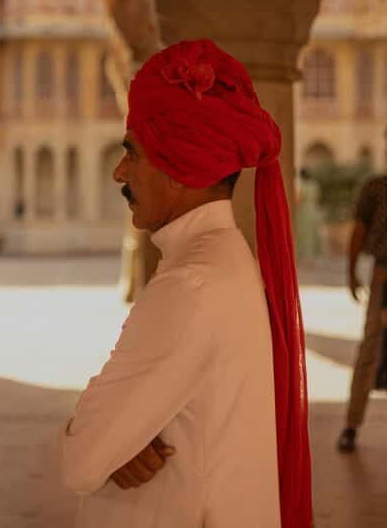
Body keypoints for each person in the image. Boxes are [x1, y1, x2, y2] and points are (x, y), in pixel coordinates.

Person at [59, 39, 312, 528]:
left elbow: (81, 461)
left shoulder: (192, 285)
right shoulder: (219, 264)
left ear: (178, 168)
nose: (119, 172)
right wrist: (118, 442)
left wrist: (99, 437)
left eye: (132, 153)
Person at [337, 173, 387, 453]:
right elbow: (359, 230)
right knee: (371, 349)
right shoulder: (376, 187)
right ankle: (351, 424)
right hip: (384, 274)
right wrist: (351, 272)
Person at [295, 167, 323, 263]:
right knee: (312, 234)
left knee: (303, 234)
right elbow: (317, 198)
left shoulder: (303, 186)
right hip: (313, 211)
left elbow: (299, 199)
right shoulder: (315, 185)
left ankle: (304, 258)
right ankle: (311, 258)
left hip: (304, 212)